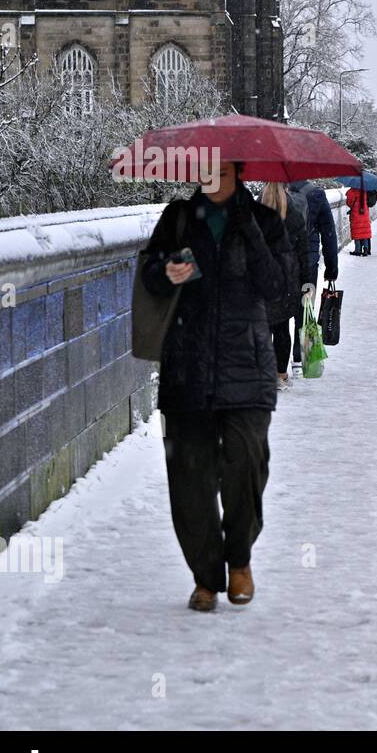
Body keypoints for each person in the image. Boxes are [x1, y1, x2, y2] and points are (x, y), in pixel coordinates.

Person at [140, 161, 295, 612]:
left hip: (246, 364)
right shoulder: (179, 219)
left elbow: (277, 287)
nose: (212, 177)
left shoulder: (265, 221)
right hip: (187, 366)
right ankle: (206, 577)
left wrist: (249, 232)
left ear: (238, 172)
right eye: (206, 170)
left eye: (221, 170)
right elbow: (149, 274)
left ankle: (240, 559)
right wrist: (168, 268)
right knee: (190, 480)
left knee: (247, 463)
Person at [259, 182, 309, 389]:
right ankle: (280, 375)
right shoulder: (296, 217)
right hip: (287, 281)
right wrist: (307, 282)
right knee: (281, 329)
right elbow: (303, 254)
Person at [287, 178, 339, 372]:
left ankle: (277, 363)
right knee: (305, 310)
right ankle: (302, 359)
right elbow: (329, 233)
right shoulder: (316, 194)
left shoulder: (271, 191)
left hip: (281, 263)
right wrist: (332, 267)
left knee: (280, 314)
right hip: (307, 263)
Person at [347, 186, 373, 256]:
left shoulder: (351, 191)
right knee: (364, 232)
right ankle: (366, 249)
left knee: (357, 232)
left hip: (356, 214)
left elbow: (349, 203)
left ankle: (357, 250)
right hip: (364, 213)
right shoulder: (364, 190)